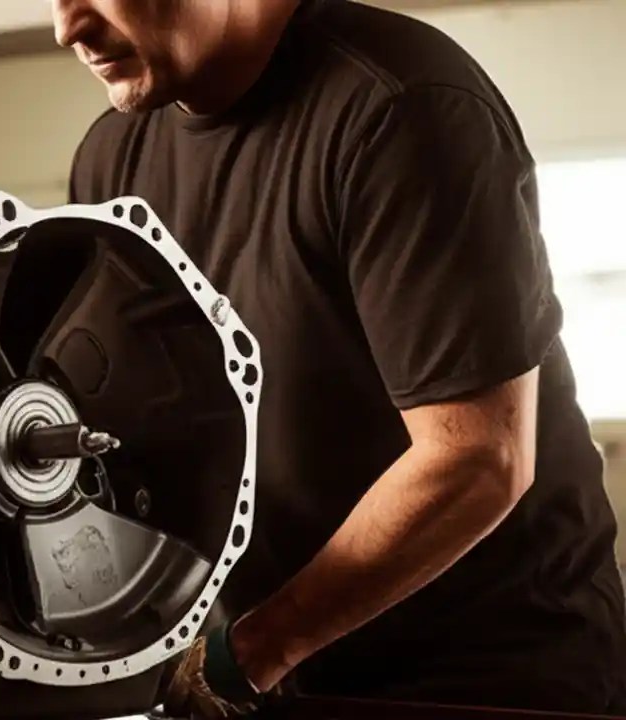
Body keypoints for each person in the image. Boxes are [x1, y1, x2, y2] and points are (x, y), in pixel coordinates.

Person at [55, 0, 626, 715]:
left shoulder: (398, 107)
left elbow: (477, 461)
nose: (66, 27)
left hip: (487, 684)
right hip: (277, 673)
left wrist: (250, 653)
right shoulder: (113, 154)